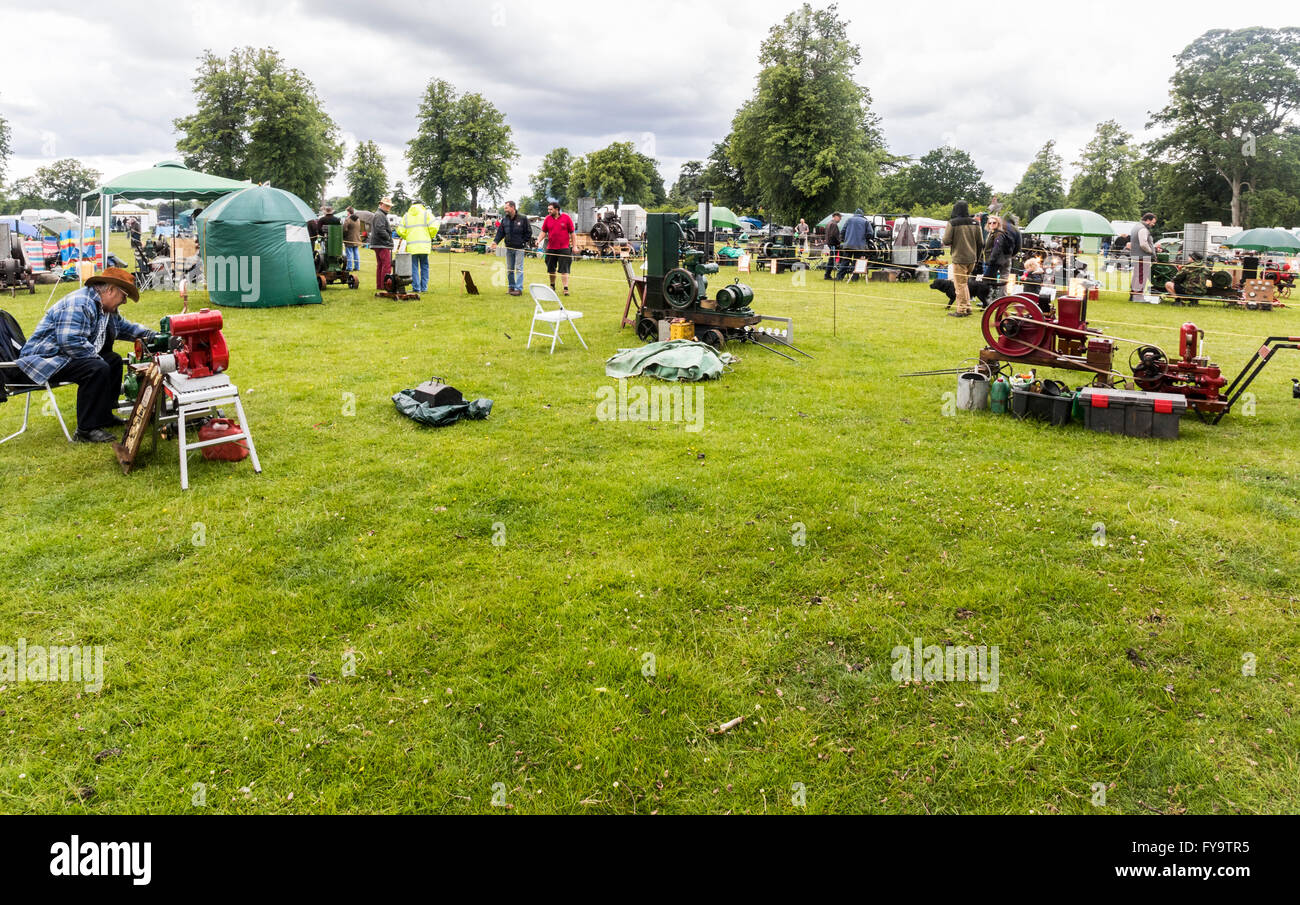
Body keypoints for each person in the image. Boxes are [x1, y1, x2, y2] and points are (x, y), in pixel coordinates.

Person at [14, 268, 156, 443]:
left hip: (61, 356)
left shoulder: (105, 309)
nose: (125, 301)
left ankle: (104, 416)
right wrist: (97, 359)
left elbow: (127, 329)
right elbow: (70, 342)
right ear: (111, 290)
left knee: (113, 360)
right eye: (124, 295)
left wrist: (154, 336)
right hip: (42, 361)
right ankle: (86, 430)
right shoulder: (80, 302)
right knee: (97, 367)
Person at [943, 201, 983, 317]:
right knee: (964, 284)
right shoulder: (975, 223)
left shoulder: (953, 223)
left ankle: (961, 310)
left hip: (959, 258)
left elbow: (946, 241)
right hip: (972, 259)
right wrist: (977, 257)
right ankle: (968, 308)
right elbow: (980, 242)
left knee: (959, 285)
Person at [491, 200, 532, 296]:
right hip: (509, 248)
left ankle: (518, 289)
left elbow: (529, 232)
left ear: (513, 207)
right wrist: (495, 242)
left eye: (506, 208)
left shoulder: (523, 218)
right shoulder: (505, 220)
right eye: (505, 208)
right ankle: (511, 287)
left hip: (519, 249)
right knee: (509, 269)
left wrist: (523, 242)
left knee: (518, 268)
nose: (505, 209)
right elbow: (500, 232)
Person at [397, 201, 437, 293]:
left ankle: (416, 288)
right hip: (424, 245)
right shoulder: (426, 214)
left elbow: (400, 230)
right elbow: (434, 226)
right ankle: (424, 288)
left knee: (413, 267)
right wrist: (430, 235)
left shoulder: (406, 216)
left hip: (412, 245)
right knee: (424, 266)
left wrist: (407, 237)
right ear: (422, 205)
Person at [539, 201, 575, 295]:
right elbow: (543, 232)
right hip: (551, 248)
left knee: (564, 269)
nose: (549, 211)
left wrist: (574, 246)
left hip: (564, 248)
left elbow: (572, 233)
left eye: (551, 209)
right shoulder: (547, 219)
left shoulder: (566, 218)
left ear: (557, 209)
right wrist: (538, 240)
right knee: (551, 269)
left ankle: (565, 288)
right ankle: (552, 285)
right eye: (548, 209)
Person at [981, 214, 1014, 305]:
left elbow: (997, 248)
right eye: (990, 222)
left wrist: (991, 260)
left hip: (996, 261)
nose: (991, 224)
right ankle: (994, 299)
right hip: (999, 260)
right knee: (993, 280)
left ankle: (994, 300)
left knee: (988, 280)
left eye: (994, 222)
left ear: (998, 223)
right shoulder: (992, 233)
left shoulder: (998, 234)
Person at [837, 208, 873, 281]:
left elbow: (842, 231)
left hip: (848, 245)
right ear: (862, 214)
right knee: (856, 262)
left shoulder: (849, 220)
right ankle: (854, 278)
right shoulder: (865, 221)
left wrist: (844, 240)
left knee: (845, 261)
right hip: (859, 246)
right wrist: (865, 240)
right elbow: (870, 233)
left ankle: (839, 278)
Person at [1129, 212, 1157, 301]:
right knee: (1141, 276)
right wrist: (1151, 251)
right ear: (1148, 220)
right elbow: (1143, 244)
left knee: (1136, 275)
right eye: (1153, 222)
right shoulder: (1143, 229)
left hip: (1137, 255)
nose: (1153, 224)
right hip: (1143, 256)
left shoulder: (1136, 227)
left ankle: (1133, 295)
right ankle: (1138, 296)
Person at [370, 197, 395, 290]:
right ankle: (385, 285)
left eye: (389, 206)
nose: (388, 207)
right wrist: (388, 238)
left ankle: (380, 286)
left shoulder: (379, 214)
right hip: (382, 243)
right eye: (386, 205)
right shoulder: (380, 215)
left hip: (378, 243)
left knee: (381, 265)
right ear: (381, 204)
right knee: (386, 265)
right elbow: (380, 229)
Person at [822, 213, 842, 280]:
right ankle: (827, 275)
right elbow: (834, 235)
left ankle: (827, 274)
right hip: (833, 244)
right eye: (839, 217)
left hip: (830, 243)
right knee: (831, 260)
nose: (840, 219)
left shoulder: (829, 223)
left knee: (831, 259)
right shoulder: (833, 224)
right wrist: (838, 243)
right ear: (835, 217)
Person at [343, 207, 363, 272]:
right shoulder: (358, 219)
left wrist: (343, 237)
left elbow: (344, 229)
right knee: (356, 253)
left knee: (349, 253)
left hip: (349, 239)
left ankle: (349, 267)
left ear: (348, 212)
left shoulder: (348, 219)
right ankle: (357, 267)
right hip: (356, 238)